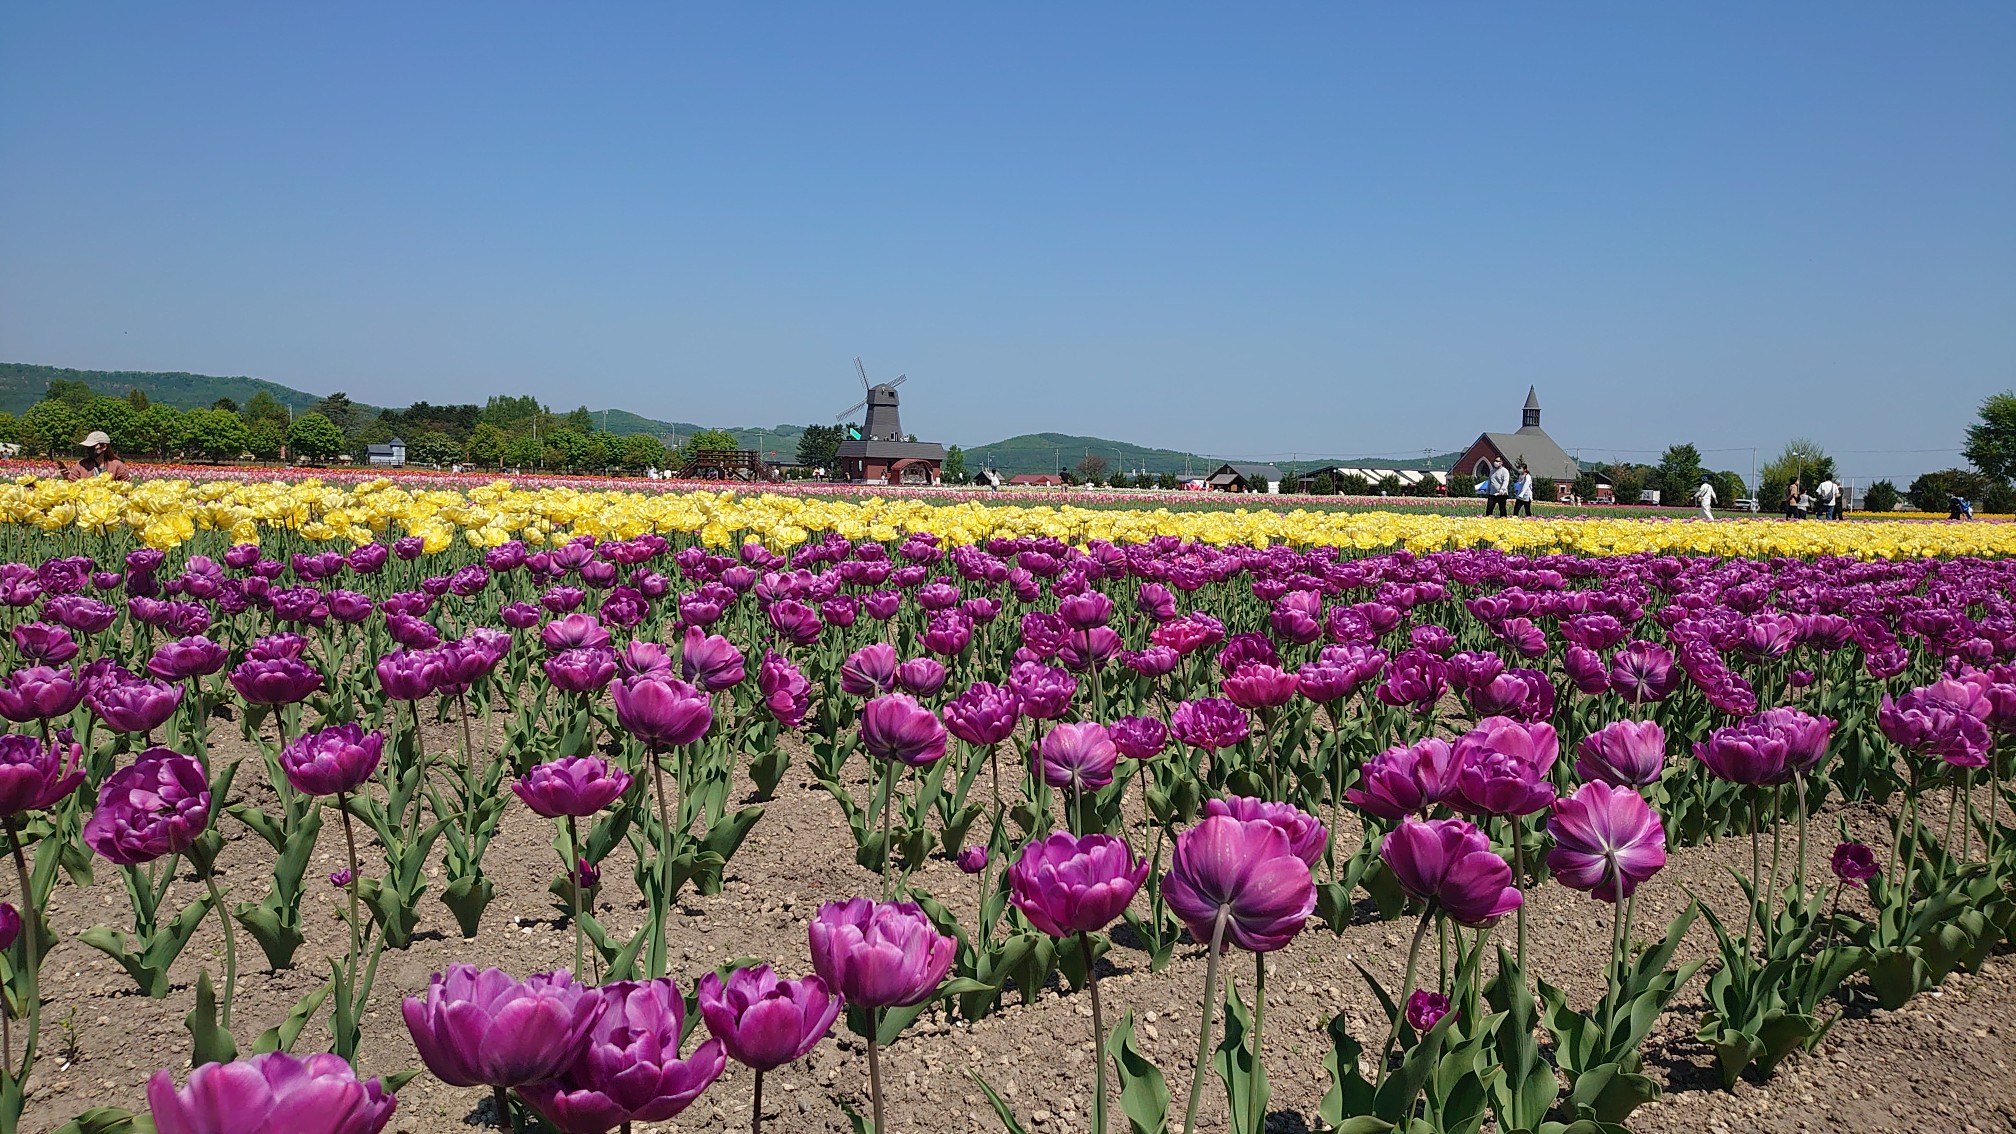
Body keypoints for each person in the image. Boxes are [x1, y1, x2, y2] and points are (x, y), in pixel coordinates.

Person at [59, 432, 129, 482]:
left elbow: (126, 488)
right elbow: (72, 487)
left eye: (92, 446)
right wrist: (66, 477)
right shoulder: (81, 465)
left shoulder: (117, 466)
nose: (89, 449)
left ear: (104, 447)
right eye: (87, 447)